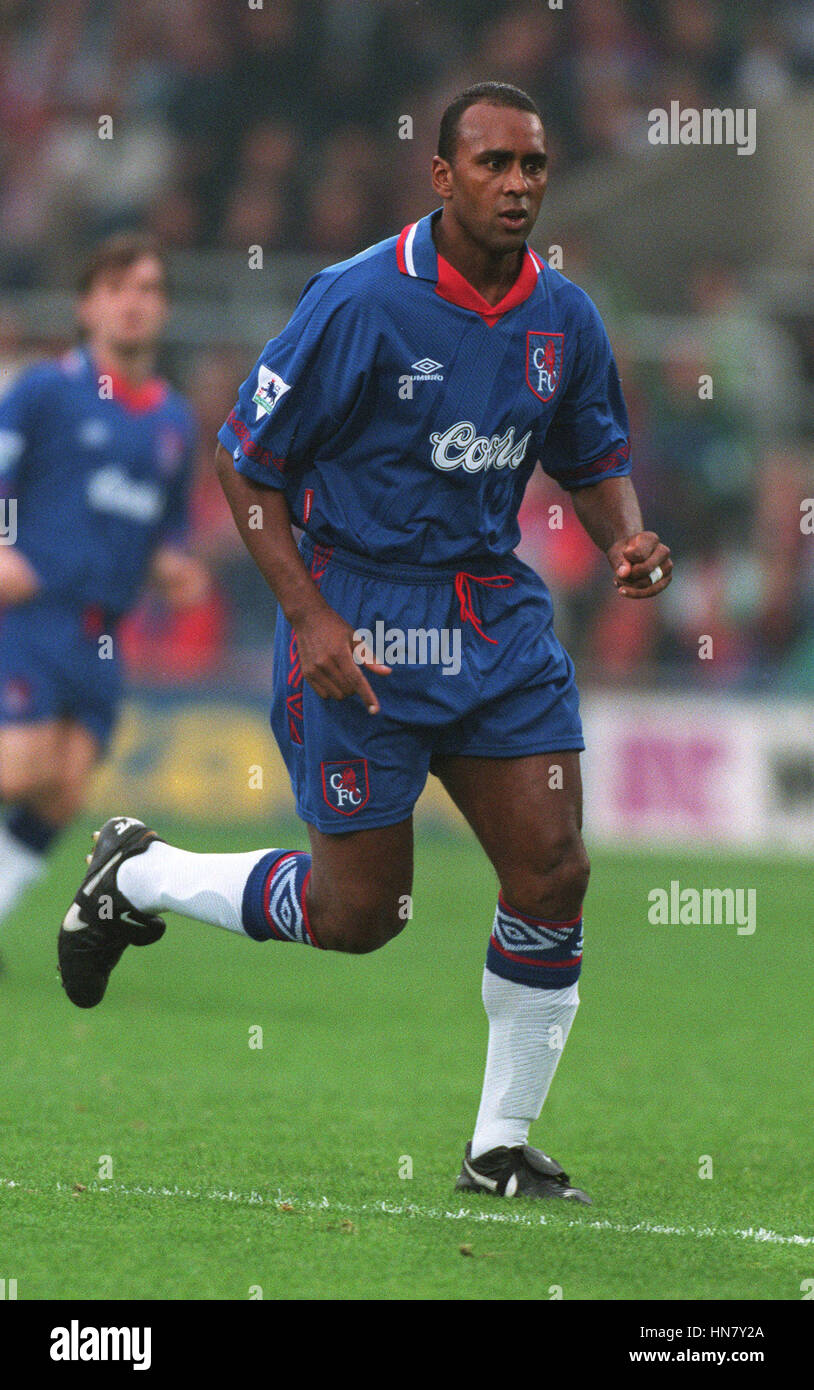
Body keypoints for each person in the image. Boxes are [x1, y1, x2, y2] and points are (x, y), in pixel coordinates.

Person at [58, 85, 672, 1203]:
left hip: (493, 618)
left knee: (554, 867)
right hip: (361, 618)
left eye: (533, 165)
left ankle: (497, 1148)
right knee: (360, 917)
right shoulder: (355, 301)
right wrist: (308, 615)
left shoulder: (564, 317)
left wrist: (626, 540)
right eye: (492, 164)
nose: (518, 184)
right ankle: (138, 872)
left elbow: (589, 456)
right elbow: (244, 459)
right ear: (441, 177)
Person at [0, 233, 207, 941]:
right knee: (20, 771)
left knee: (63, 790)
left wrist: (173, 564)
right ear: (87, 306)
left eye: (149, 290)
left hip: (103, 631)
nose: (134, 303)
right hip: (33, 613)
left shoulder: (173, 421)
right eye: (118, 288)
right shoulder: (45, 390)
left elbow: (168, 526)